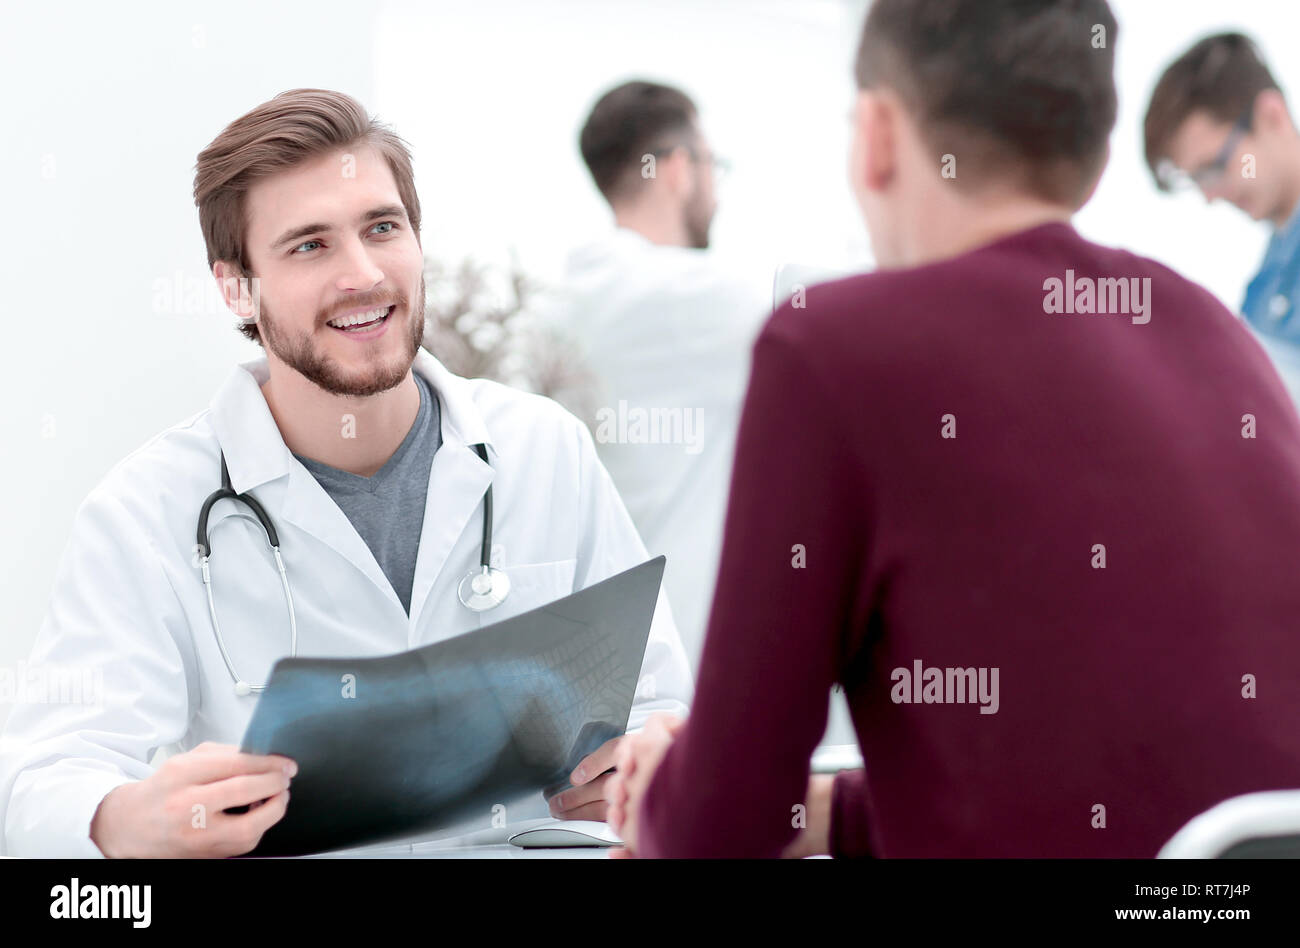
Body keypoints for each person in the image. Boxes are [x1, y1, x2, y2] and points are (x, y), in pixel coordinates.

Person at [607, 0, 1300, 858]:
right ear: (1091, 162)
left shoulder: (829, 346)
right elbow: (1081, 786)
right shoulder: (1217, 335)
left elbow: (723, 823)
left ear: (878, 137)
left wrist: (655, 799)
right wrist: (820, 810)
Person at [0, 89, 692, 859]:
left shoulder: (544, 451)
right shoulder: (147, 512)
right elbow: (43, 780)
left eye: (382, 228)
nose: (362, 274)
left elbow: (663, 707)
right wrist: (121, 819)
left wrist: (646, 762)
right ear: (237, 287)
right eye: (309, 245)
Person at [553, 80, 771, 667]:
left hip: (597, 642)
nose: (717, 192)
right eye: (713, 165)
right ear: (677, 169)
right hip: (696, 641)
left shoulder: (560, 302)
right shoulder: (700, 297)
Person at [1144, 32, 1300, 402]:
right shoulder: (1261, 293)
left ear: (1271, 115)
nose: (1210, 196)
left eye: (1214, 167)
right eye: (1196, 181)